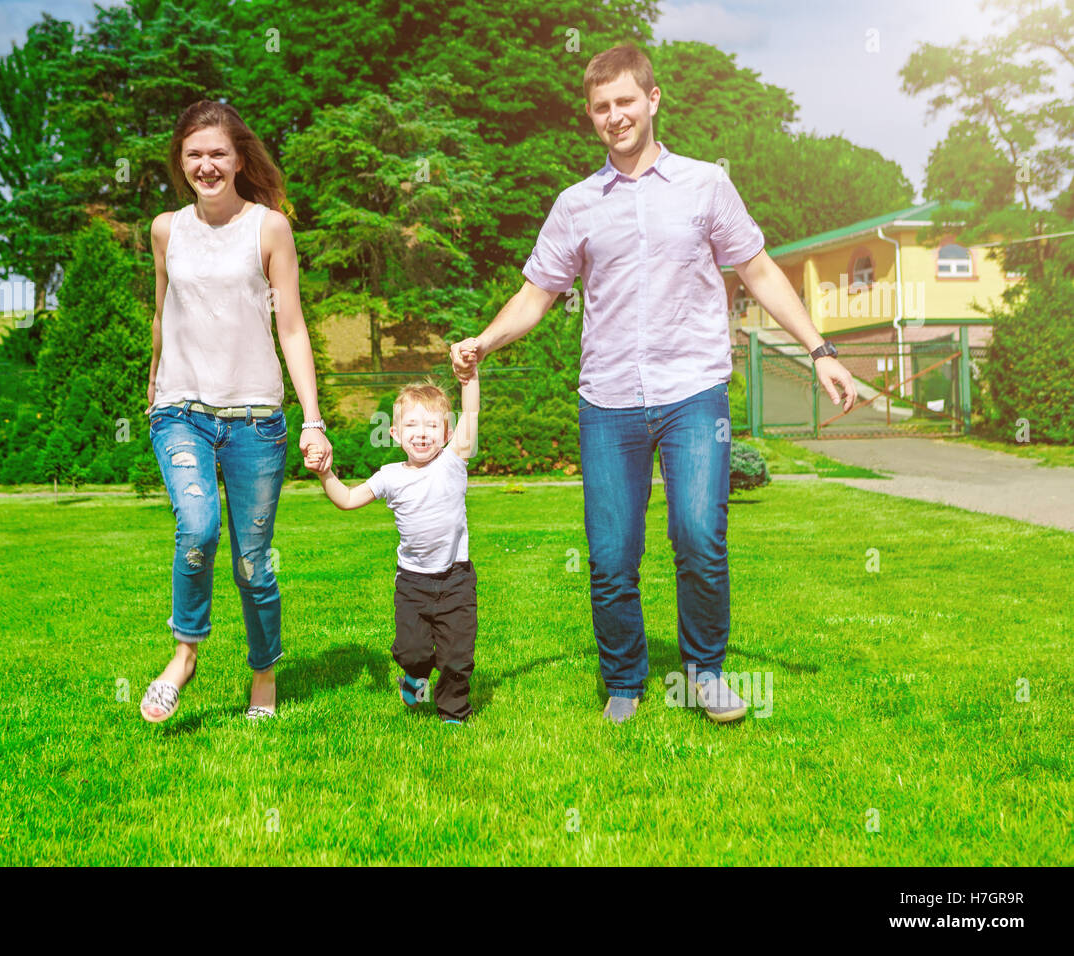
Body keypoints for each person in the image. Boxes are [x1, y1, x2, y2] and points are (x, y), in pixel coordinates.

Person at [451, 44, 856, 724]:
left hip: (694, 391)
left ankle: (705, 673)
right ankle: (624, 682)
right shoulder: (576, 205)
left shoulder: (705, 185)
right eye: (602, 107)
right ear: (591, 114)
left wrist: (819, 349)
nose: (615, 117)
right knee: (611, 555)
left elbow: (756, 270)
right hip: (607, 402)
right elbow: (537, 293)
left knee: (699, 535)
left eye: (626, 102)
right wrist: (485, 342)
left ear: (653, 99)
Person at [139, 100, 331, 724]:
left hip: (255, 419)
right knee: (196, 528)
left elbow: (293, 327)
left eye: (218, 152)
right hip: (181, 410)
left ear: (239, 159)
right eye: (194, 154)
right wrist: (154, 383)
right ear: (181, 163)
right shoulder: (166, 229)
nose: (206, 164)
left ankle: (264, 675)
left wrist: (314, 418)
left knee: (254, 564)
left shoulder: (269, 228)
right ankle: (185, 653)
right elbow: (162, 312)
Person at [306, 372, 480, 724]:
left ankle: (454, 713)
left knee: (457, 656)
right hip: (413, 583)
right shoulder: (390, 475)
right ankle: (415, 678)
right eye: (412, 424)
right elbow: (349, 499)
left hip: (456, 580)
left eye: (432, 425)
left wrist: (470, 376)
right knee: (412, 650)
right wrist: (326, 474)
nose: (422, 432)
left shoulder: (453, 461)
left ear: (447, 434)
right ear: (396, 434)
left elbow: (472, 412)